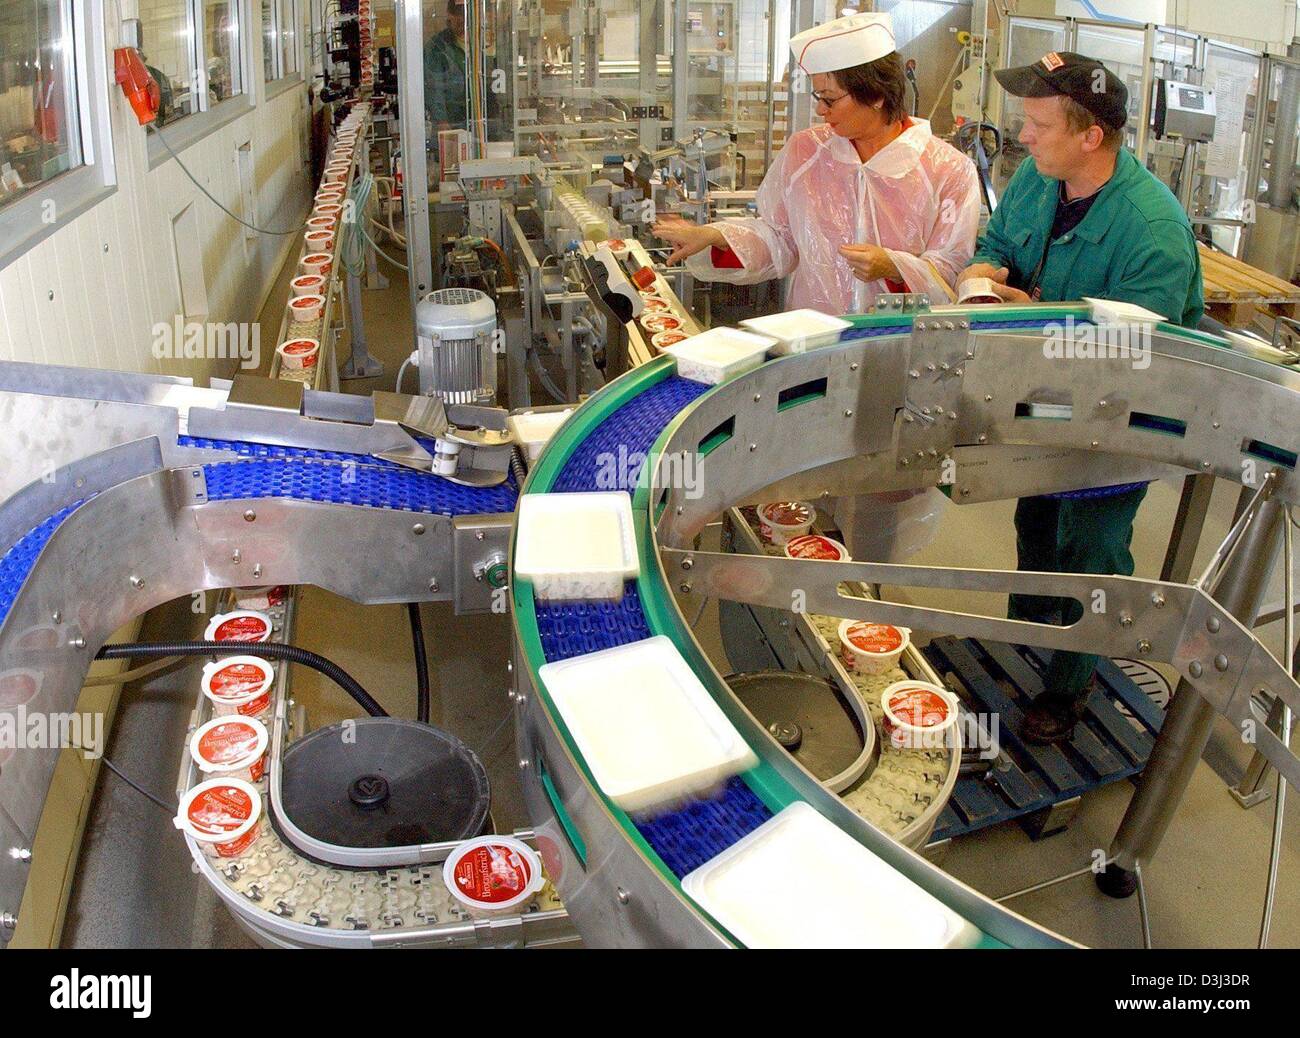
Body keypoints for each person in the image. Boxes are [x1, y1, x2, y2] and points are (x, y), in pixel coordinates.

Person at [956, 51, 1203, 744]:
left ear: (1089, 134)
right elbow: (998, 236)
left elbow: (1129, 360)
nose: (1023, 136)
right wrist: (982, 272)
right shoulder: (1043, 181)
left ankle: (1069, 686)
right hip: (1042, 404)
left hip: (1122, 422)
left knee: (1089, 548)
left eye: (1037, 123)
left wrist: (1030, 306)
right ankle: (1028, 638)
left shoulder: (1152, 233)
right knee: (1036, 525)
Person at [652, 11, 981, 315]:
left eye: (830, 99)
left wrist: (892, 266)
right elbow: (781, 238)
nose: (821, 110)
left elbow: (952, 272)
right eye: (817, 97)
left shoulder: (948, 170)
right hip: (813, 342)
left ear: (877, 95)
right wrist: (716, 236)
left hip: (897, 348)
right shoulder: (807, 152)